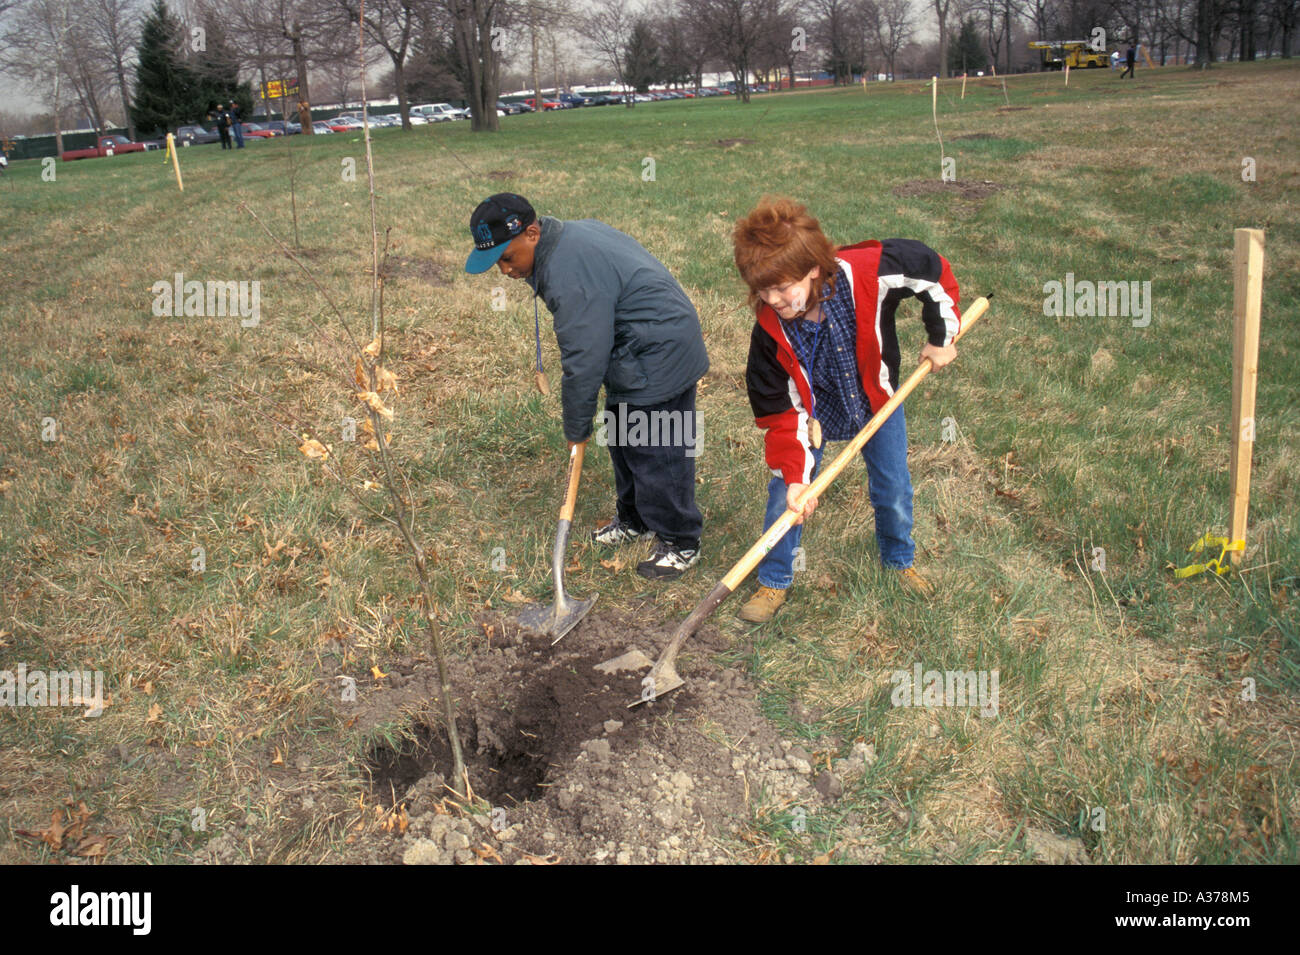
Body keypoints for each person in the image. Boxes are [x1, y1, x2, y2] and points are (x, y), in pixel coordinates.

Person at [732, 197, 961, 623]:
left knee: (893, 489)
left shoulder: (868, 272)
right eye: (762, 289)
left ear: (813, 268)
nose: (773, 299)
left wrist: (942, 335)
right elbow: (781, 412)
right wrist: (799, 479)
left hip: (878, 401)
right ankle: (774, 580)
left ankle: (898, 561)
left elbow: (932, 271)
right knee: (786, 497)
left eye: (782, 287)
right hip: (813, 416)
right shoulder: (768, 331)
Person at [464, 193, 710, 580]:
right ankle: (635, 519)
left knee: (656, 448)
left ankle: (681, 540)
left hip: (661, 349)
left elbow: (584, 358)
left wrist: (575, 428)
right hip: (633, 348)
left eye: (507, 258)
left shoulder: (568, 272)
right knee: (623, 437)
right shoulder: (559, 241)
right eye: (497, 263)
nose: (504, 271)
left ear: (531, 233)